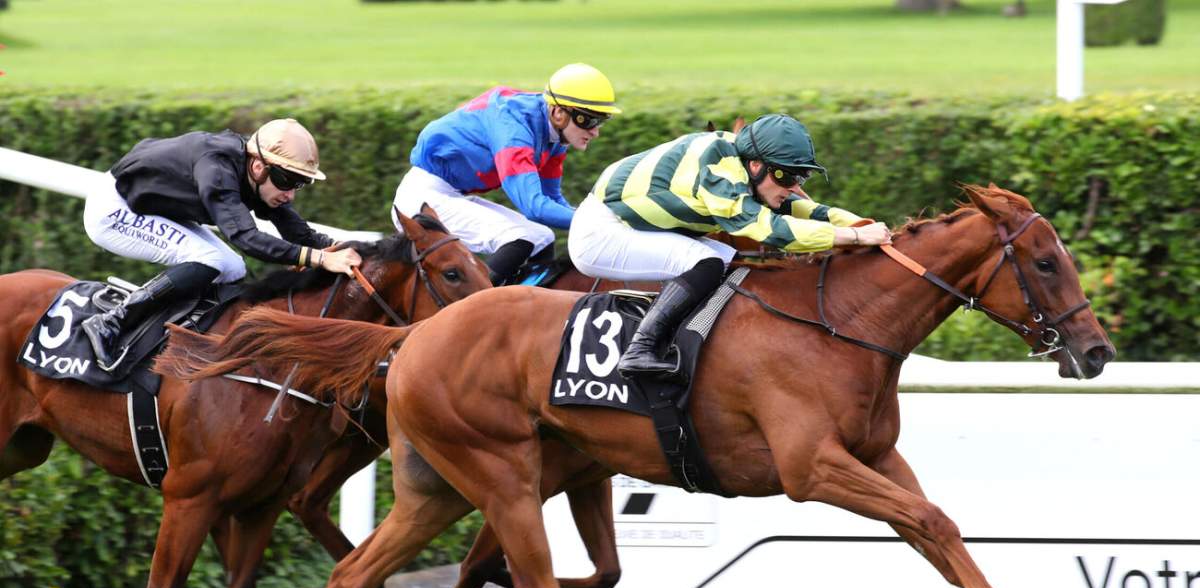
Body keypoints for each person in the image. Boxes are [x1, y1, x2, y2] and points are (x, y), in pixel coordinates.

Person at [567, 113, 893, 379]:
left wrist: (860, 224)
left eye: (799, 177)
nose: (793, 187)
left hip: (633, 223)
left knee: (728, 260)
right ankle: (640, 351)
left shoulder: (745, 165)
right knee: (706, 262)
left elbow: (807, 209)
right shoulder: (719, 173)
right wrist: (853, 238)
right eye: (786, 176)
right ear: (757, 166)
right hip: (602, 231)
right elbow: (769, 229)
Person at [81, 118, 360, 371]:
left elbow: (295, 230)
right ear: (259, 166)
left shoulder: (258, 174)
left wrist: (337, 246)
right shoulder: (217, 169)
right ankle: (112, 321)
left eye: (299, 184)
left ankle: (192, 327)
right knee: (211, 259)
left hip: (153, 205)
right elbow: (246, 238)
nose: (290, 194)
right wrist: (319, 259)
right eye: (286, 181)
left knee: (233, 268)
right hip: (116, 209)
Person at [392, 63, 619, 286]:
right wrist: (598, 222)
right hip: (422, 199)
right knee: (521, 237)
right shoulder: (515, 131)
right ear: (559, 113)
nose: (595, 131)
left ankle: (524, 313)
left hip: (451, 193)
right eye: (588, 120)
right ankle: (479, 313)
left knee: (542, 238)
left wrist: (595, 218)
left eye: (601, 121)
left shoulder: (555, 136)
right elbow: (535, 208)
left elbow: (551, 199)